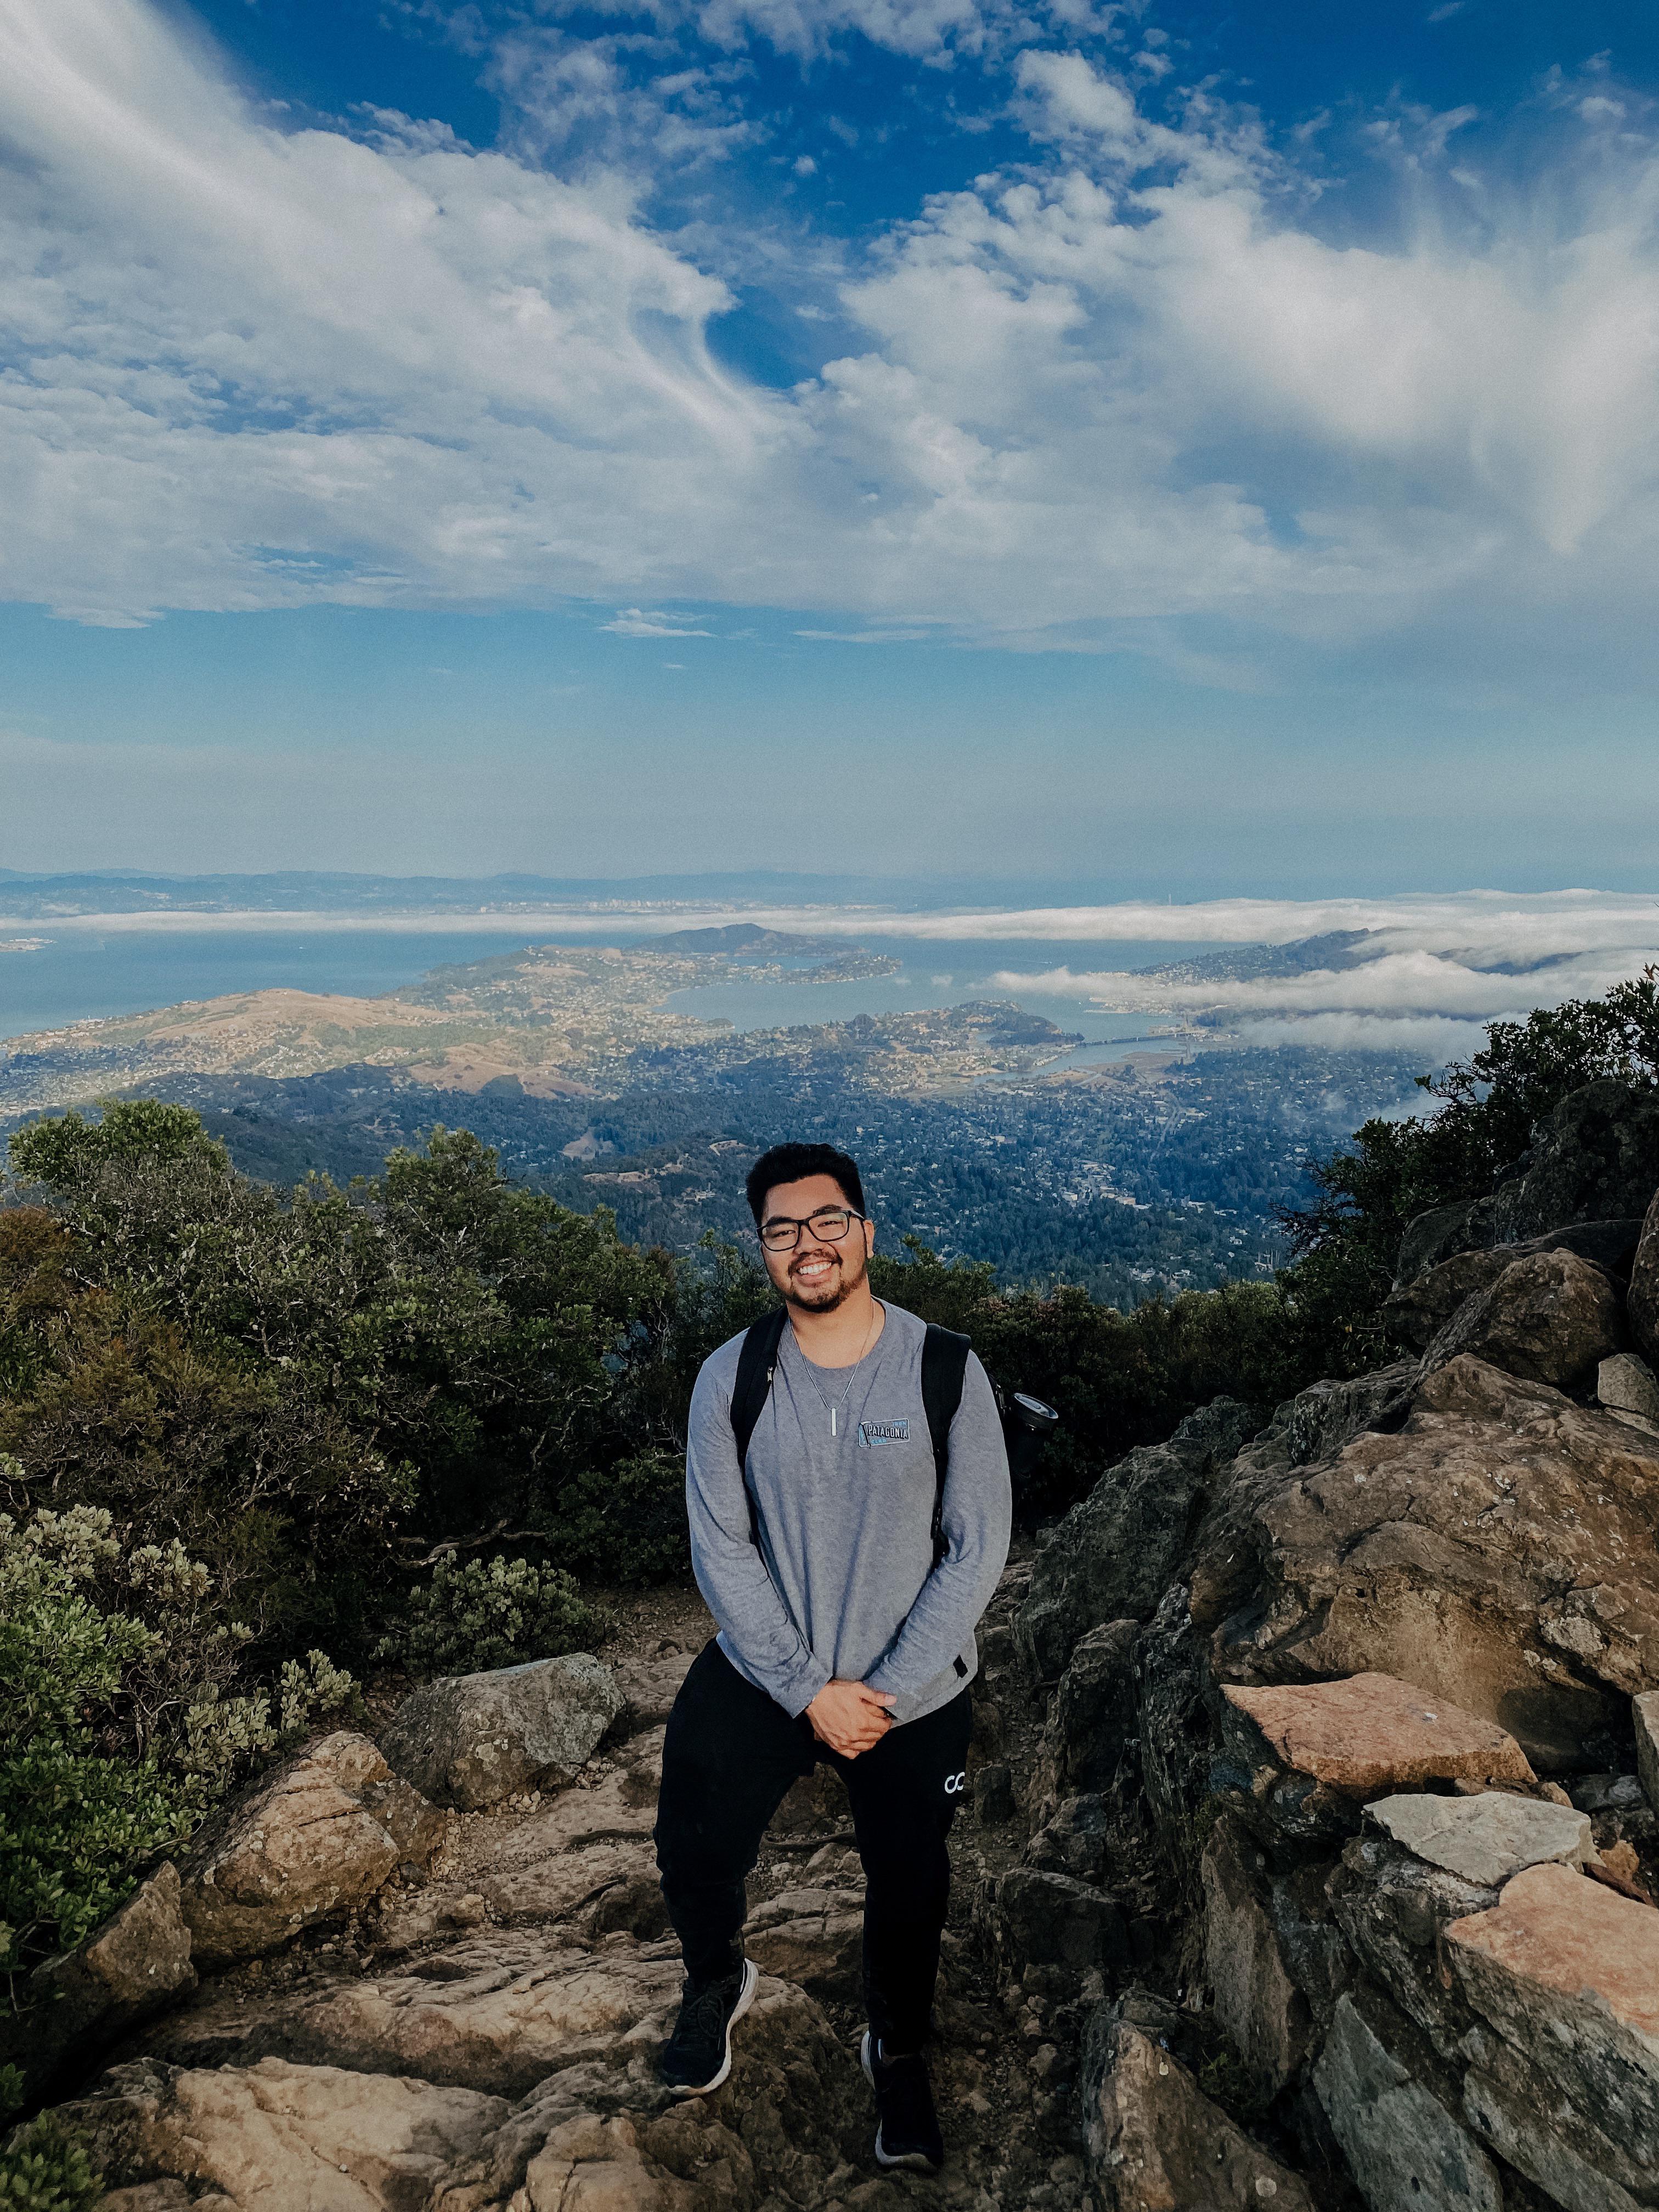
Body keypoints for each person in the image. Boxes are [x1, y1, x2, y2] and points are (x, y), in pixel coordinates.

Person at [653, 1140, 1012, 2176]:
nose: (805, 1244)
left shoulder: (946, 1368)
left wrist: (883, 1692)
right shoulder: (734, 1376)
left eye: (825, 1222)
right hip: (770, 1673)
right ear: (762, 1247)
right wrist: (809, 1690)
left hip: (911, 1687)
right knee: (693, 1843)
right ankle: (717, 1977)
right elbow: (720, 1547)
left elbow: (976, 1545)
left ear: (863, 1231)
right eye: (782, 1228)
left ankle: (897, 2048)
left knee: (911, 1884)